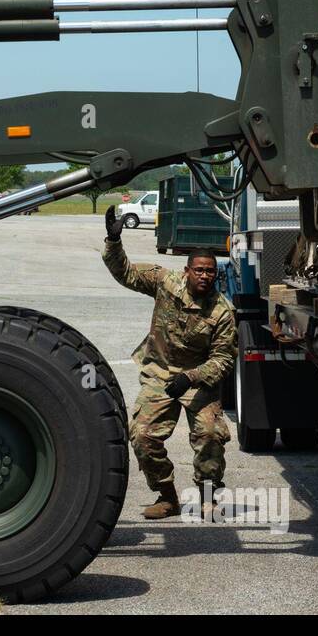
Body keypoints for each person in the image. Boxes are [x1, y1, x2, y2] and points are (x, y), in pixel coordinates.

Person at [102, 205, 237, 519]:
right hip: (160, 374)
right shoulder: (165, 282)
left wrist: (191, 377)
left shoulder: (222, 311)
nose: (205, 276)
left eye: (210, 272)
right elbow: (127, 274)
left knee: (210, 436)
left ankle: (207, 495)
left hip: (198, 382)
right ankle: (167, 496)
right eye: (199, 270)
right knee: (142, 436)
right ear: (187, 270)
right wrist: (113, 241)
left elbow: (223, 360)